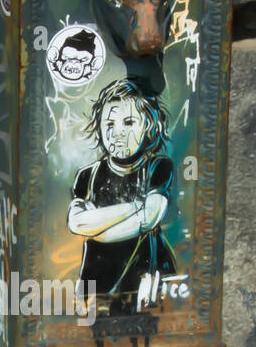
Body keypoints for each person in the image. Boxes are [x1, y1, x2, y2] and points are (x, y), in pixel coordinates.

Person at [67, 79, 176, 314]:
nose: (117, 133)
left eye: (128, 122)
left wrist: (98, 230)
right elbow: (77, 223)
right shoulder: (88, 175)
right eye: (109, 123)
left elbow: (149, 217)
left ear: (149, 125)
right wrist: (135, 205)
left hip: (144, 279)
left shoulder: (158, 167)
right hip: (97, 282)